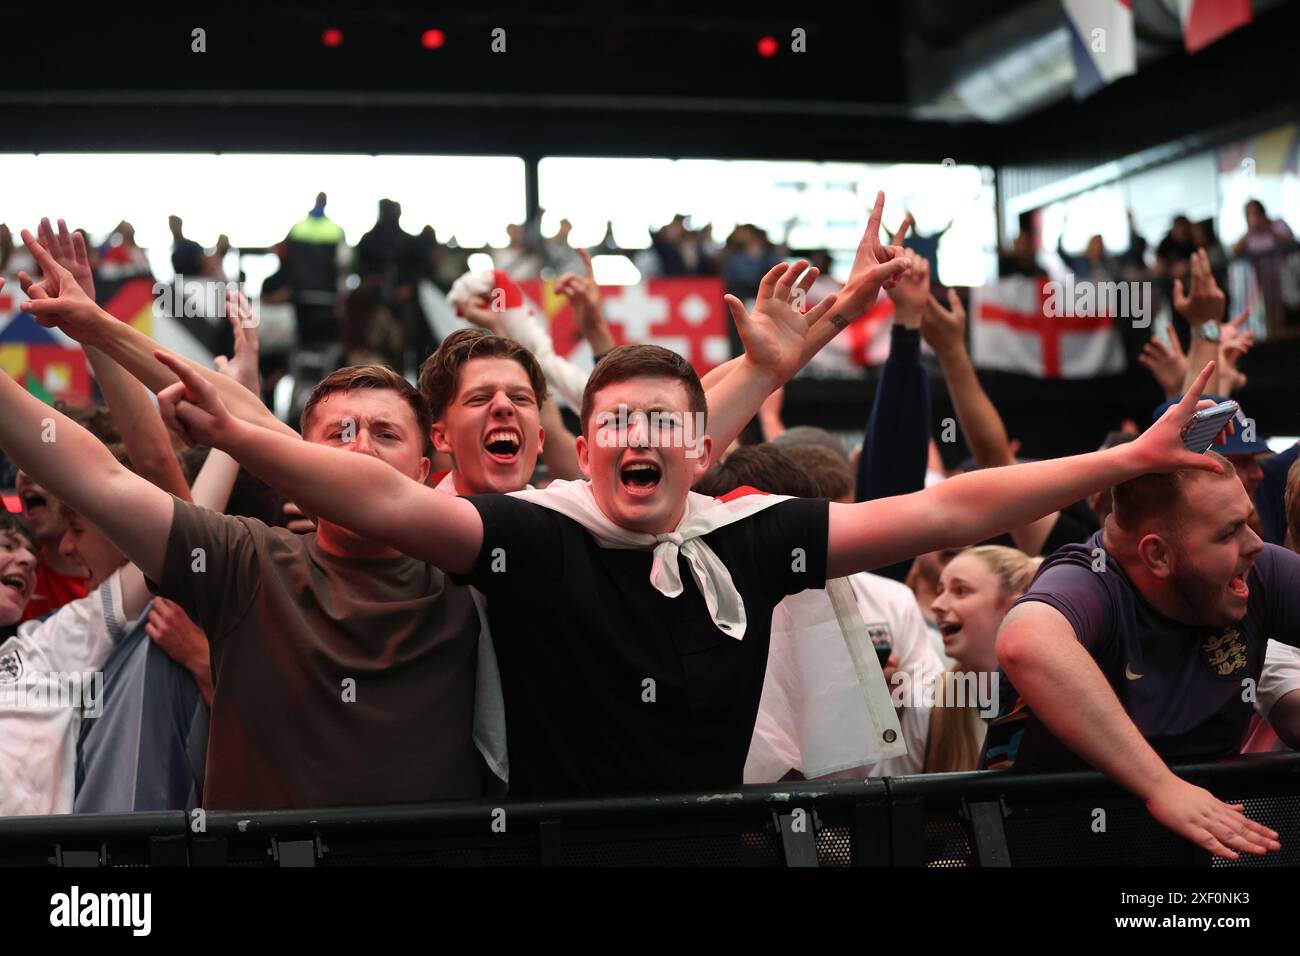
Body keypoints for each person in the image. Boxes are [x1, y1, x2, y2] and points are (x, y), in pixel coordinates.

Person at [985, 450, 1295, 859]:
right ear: (1157, 555)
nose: (1255, 543)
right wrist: (1161, 786)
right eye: (1229, 532)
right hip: (1049, 847)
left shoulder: (1255, 572)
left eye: (1250, 522)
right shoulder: (1089, 580)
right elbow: (1025, 644)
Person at [930, 546, 1040, 772]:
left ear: (1012, 607)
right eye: (939, 590)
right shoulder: (930, 700)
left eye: (961, 591)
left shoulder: (1053, 696)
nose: (937, 605)